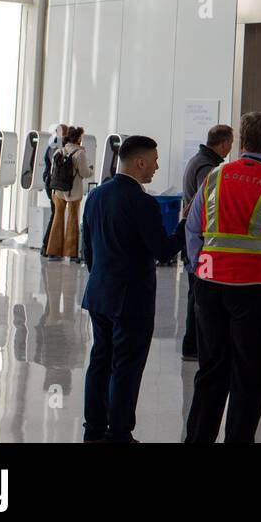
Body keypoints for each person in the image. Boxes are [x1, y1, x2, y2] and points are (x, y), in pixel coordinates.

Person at [183, 111, 261, 443]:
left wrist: (201, 269)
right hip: (257, 292)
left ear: (242, 140)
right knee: (249, 376)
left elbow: (193, 228)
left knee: (211, 371)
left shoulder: (216, 177)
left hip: (210, 288)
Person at [80, 135, 182, 442]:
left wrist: (102, 277)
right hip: (132, 300)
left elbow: (88, 248)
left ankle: (94, 428)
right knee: (126, 367)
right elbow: (163, 251)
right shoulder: (143, 202)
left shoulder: (97, 196)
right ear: (140, 162)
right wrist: (184, 224)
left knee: (100, 361)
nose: (156, 166)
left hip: (100, 293)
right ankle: (120, 432)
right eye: (154, 160)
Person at [178, 125, 233, 360]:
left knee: (196, 294)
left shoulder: (198, 160)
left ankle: (193, 345)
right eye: (230, 143)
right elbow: (207, 201)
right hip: (200, 240)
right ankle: (194, 345)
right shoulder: (208, 168)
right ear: (222, 144)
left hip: (194, 237)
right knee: (199, 296)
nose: (231, 148)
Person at [45, 126, 93, 261]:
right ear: (78, 139)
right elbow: (84, 173)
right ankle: (71, 254)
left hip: (58, 190)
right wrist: (91, 170)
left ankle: (53, 253)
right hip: (73, 191)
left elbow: (52, 171)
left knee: (57, 218)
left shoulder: (59, 151)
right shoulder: (79, 154)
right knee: (73, 219)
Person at [40, 123, 68, 251]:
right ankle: (47, 246)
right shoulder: (57, 146)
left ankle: (48, 246)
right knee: (56, 213)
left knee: (55, 213)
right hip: (54, 183)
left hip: (49, 181)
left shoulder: (54, 144)